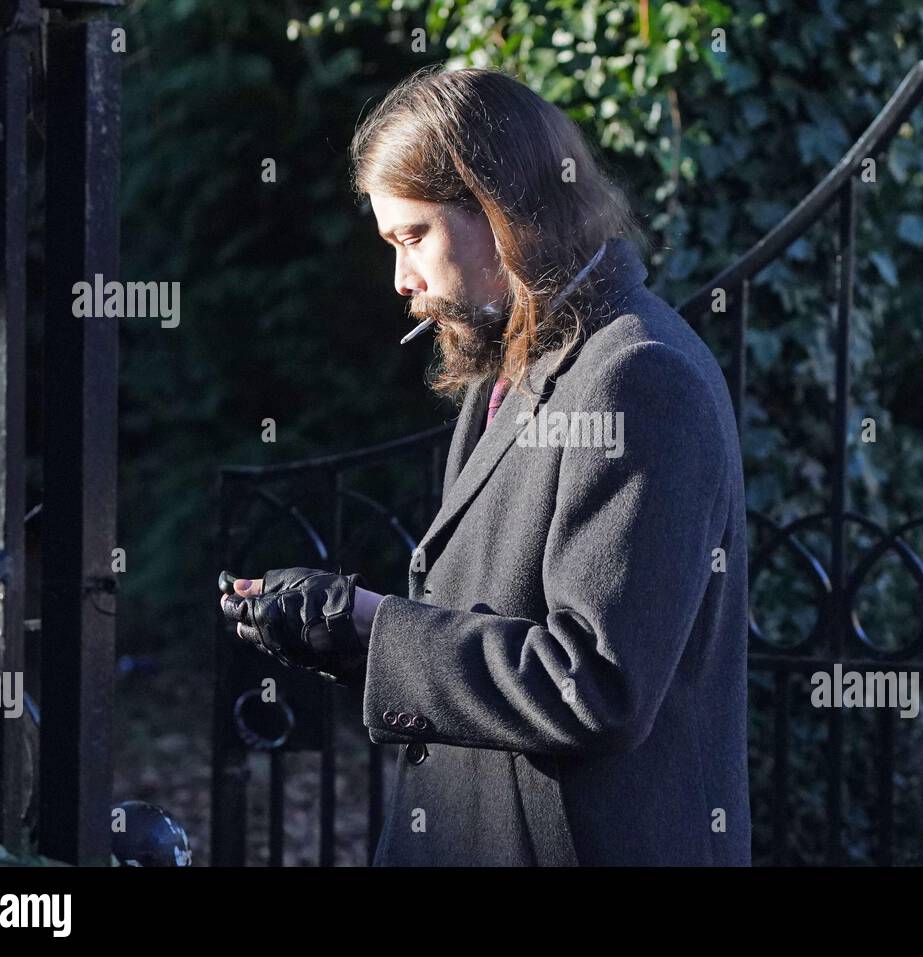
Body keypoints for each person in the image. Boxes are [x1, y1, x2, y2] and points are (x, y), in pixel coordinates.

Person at [220, 65, 750, 866]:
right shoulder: (519, 362)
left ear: (504, 210)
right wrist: (338, 634)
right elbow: (485, 627)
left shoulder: (641, 375)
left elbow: (595, 684)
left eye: (414, 237)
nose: (402, 279)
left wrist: (371, 621)